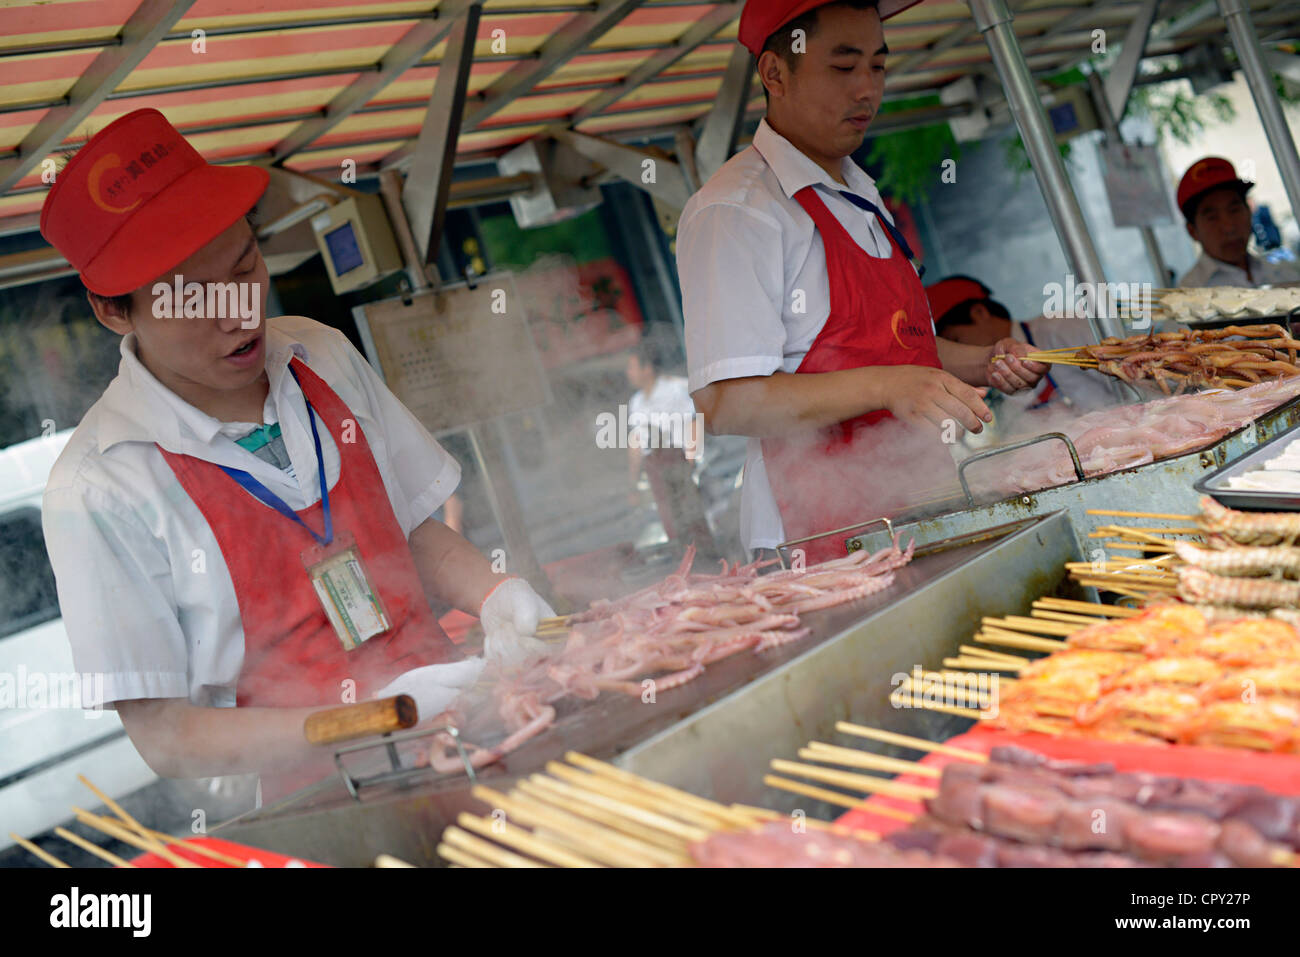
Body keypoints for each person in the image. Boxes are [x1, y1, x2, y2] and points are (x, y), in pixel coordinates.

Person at [38, 109, 554, 792]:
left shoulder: (321, 352)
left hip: (477, 734)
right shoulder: (100, 485)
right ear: (113, 309)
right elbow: (165, 733)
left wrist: (496, 594)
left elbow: (410, 533)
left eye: (245, 263)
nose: (239, 312)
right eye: (191, 296)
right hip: (326, 799)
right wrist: (368, 720)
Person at [677, 0, 1046, 561]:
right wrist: (888, 387)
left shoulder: (860, 191)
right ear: (775, 73)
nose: (866, 90)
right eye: (843, 67)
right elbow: (726, 401)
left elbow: (898, 346)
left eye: (877, 65)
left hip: (921, 501)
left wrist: (982, 361)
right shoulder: (737, 210)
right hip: (821, 535)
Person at [927, 276, 1114, 413]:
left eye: (955, 341)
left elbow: (1132, 383)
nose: (959, 355)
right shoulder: (990, 387)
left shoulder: (1058, 329)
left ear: (979, 313)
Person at [624, 335, 718, 558]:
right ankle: (687, 561)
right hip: (654, 463)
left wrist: (692, 460)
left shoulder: (675, 389)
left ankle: (710, 560)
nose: (628, 373)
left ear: (647, 369)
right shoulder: (636, 402)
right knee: (671, 519)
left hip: (678, 458)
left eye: (632, 367)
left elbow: (693, 423)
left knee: (692, 515)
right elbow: (636, 442)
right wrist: (633, 482)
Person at [1176, 157, 1300, 288]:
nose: (1229, 227)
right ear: (1192, 231)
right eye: (1212, 217)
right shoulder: (1190, 295)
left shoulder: (1286, 275)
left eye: (1234, 210)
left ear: (1249, 211)